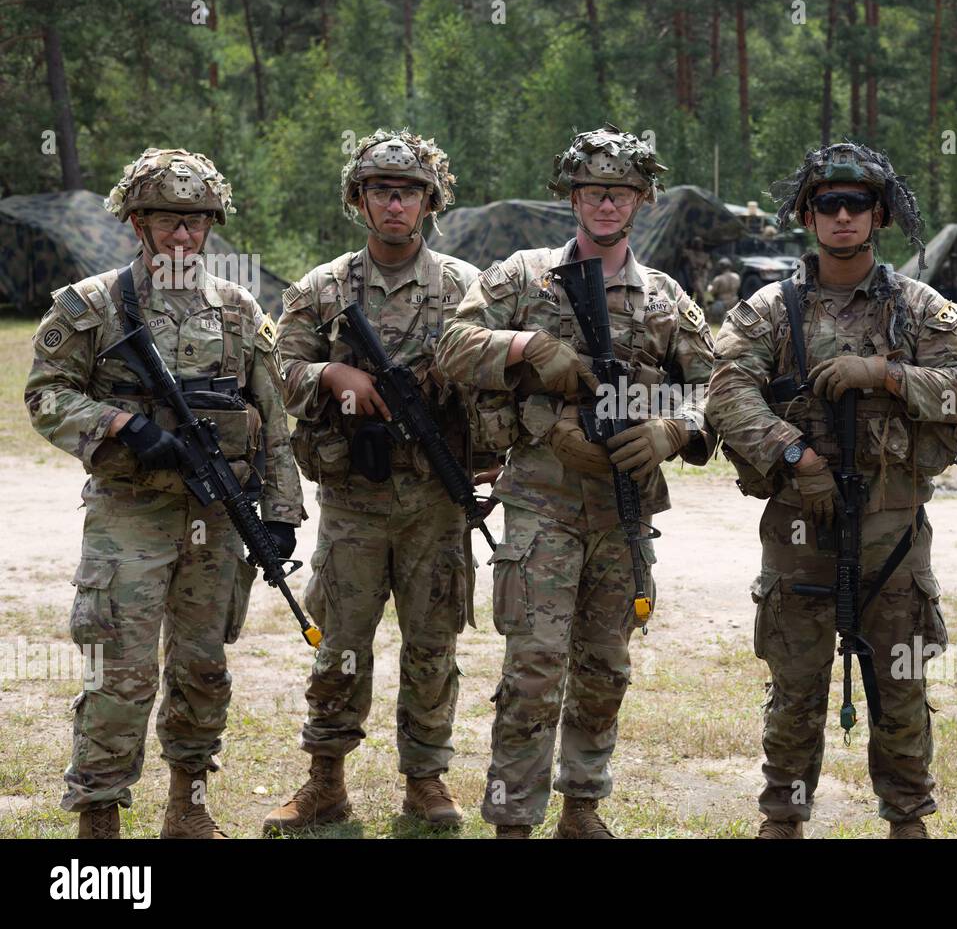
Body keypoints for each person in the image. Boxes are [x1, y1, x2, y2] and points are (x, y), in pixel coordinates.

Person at [435, 123, 716, 838]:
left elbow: (715, 384)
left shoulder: (663, 297)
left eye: (621, 192)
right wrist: (532, 345)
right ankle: (511, 818)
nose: (606, 204)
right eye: (593, 191)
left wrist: (671, 430)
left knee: (605, 669)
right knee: (532, 669)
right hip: (540, 502)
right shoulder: (523, 275)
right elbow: (452, 348)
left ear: (643, 199)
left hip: (622, 510)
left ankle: (582, 806)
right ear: (572, 197)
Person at [706, 143, 957, 838]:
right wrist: (794, 452)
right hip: (801, 526)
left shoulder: (920, 309)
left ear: (878, 215)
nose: (841, 216)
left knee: (902, 684)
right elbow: (725, 390)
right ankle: (783, 814)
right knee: (795, 687)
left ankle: (907, 816)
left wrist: (886, 375)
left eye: (855, 204)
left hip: (893, 530)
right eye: (827, 203)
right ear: (806, 214)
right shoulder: (772, 309)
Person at [26, 147, 303, 838]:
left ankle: (189, 803)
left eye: (196, 221)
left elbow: (272, 418)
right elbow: (44, 394)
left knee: (203, 667)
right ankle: (98, 813)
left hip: (215, 520)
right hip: (131, 513)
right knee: (118, 667)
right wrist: (121, 424)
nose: (183, 236)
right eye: (168, 221)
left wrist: (280, 514)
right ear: (138, 223)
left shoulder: (239, 310)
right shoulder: (93, 306)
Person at [263, 130, 482, 835]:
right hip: (353, 499)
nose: (395, 203)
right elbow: (278, 372)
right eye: (381, 190)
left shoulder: (463, 287)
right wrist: (333, 374)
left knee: (432, 642)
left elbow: (494, 383)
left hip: (433, 499)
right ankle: (325, 779)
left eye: (409, 191)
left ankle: (426, 779)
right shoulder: (322, 288)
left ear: (429, 202)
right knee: (341, 644)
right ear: (359, 200)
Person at [705, 257, 741, 323]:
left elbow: (712, 292)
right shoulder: (737, 277)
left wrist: (709, 288)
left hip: (721, 304)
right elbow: (738, 288)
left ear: (721, 267)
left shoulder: (718, 279)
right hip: (735, 302)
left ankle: (716, 319)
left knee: (707, 307)